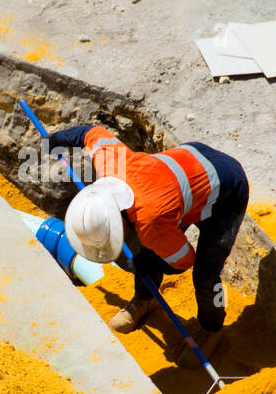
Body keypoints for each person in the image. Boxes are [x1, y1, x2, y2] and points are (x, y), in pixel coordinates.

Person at [47, 123, 249, 364]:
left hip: (227, 190)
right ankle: (146, 298)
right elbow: (90, 133)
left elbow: (184, 260)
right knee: (147, 251)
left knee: (206, 275)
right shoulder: (110, 164)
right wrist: (57, 139)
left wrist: (150, 260)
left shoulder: (151, 224)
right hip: (187, 169)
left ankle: (213, 327)